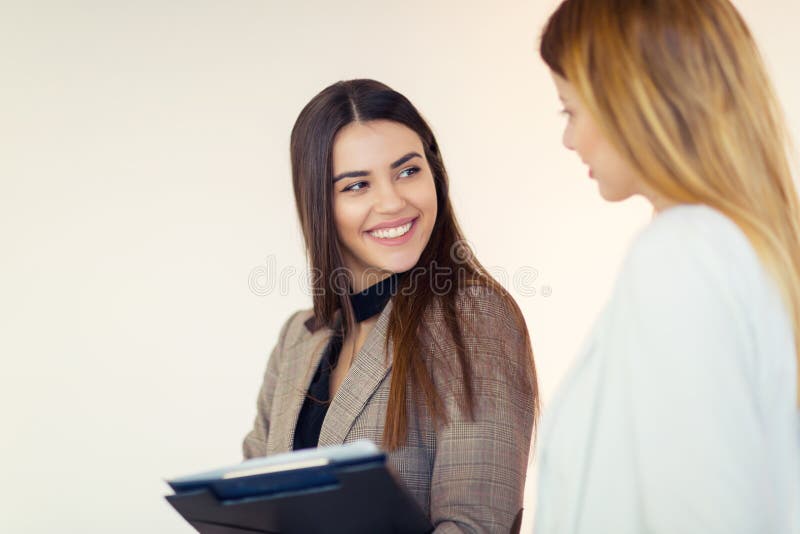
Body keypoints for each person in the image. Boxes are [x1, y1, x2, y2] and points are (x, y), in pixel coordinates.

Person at [534, 0, 800, 532]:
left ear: (632, 101)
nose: (567, 138)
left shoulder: (682, 254)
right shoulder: (742, 249)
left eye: (570, 109)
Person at [243, 79, 539, 532]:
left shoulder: (473, 319)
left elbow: (475, 523)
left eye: (407, 171)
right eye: (357, 185)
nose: (392, 201)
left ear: (434, 173)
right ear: (319, 203)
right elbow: (252, 505)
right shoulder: (299, 338)